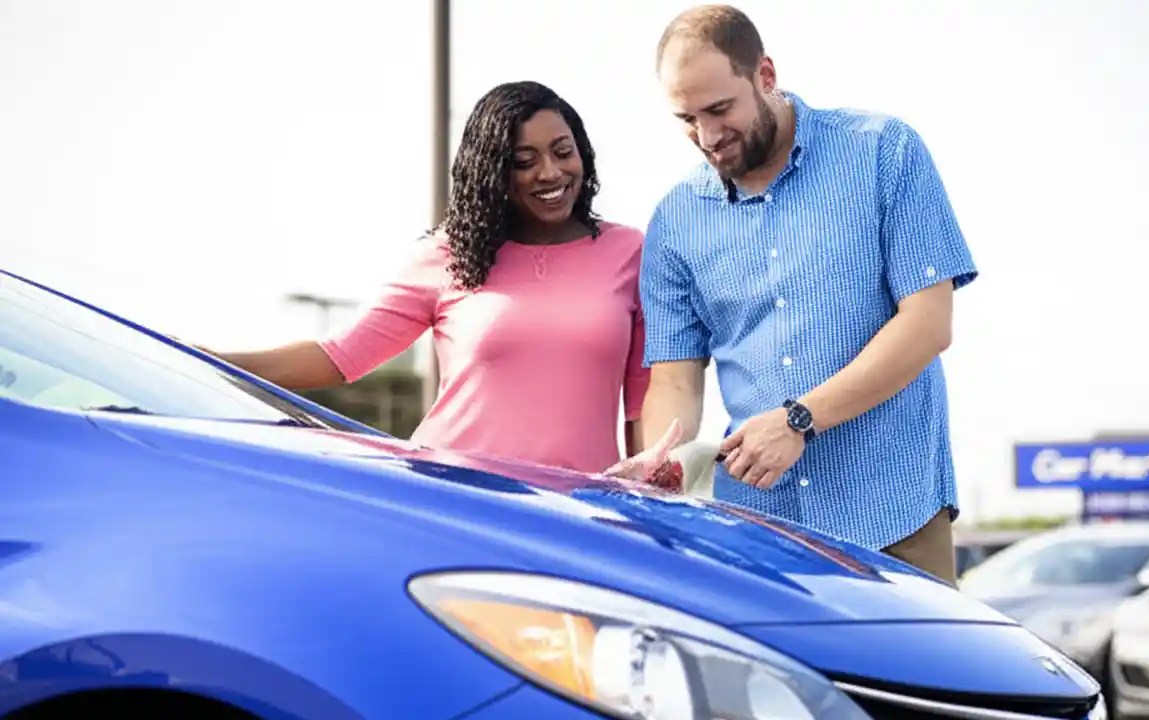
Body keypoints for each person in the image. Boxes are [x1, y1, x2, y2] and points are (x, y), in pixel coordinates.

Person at [607, 5, 978, 585]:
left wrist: (799, 420)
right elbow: (676, 380)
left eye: (719, 109)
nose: (707, 137)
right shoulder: (675, 221)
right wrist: (659, 462)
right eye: (686, 119)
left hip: (895, 512)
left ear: (766, 76)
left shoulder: (884, 153)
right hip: (759, 533)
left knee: (918, 680)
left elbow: (928, 325)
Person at [201, 80, 665, 475]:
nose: (551, 172)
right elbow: (342, 356)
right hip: (452, 492)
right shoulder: (449, 254)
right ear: (493, 174)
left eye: (563, 152)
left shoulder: (630, 252)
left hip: (581, 511)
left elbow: (643, 402)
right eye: (524, 161)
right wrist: (211, 360)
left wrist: (649, 491)